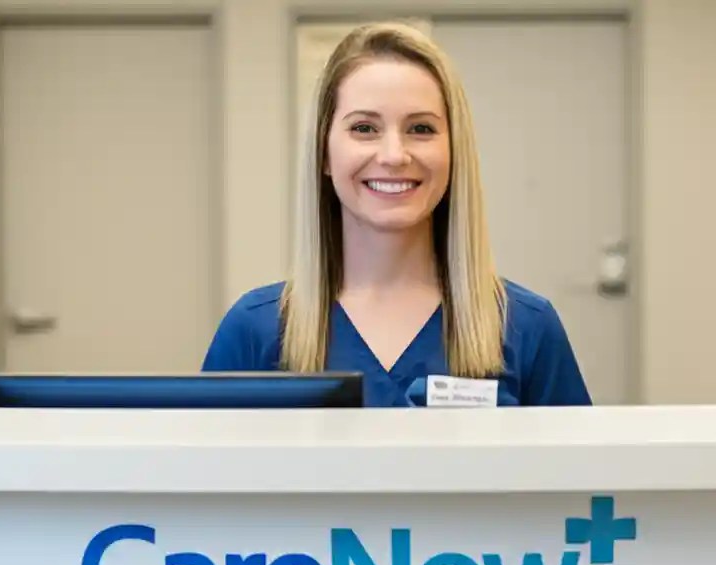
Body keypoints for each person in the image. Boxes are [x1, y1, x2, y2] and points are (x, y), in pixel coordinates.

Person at [202, 21, 591, 408]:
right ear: (324, 151)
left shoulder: (526, 327)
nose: (393, 155)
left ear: (454, 151)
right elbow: (198, 469)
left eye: (421, 128)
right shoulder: (255, 330)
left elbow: (580, 471)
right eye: (365, 128)